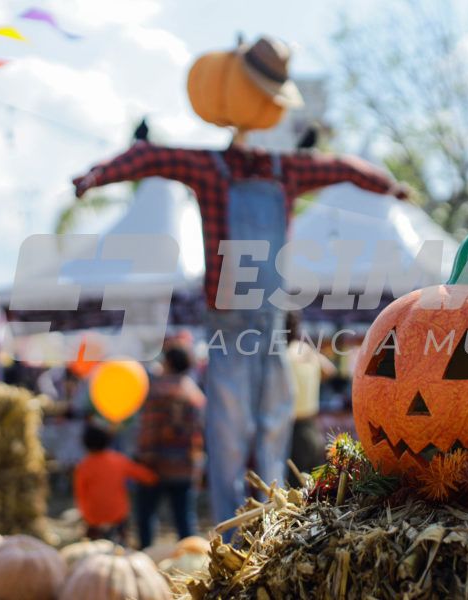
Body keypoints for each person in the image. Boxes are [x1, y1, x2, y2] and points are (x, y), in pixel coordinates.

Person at [72, 35, 409, 525]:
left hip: (263, 316)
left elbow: (150, 157)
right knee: (237, 424)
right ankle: (235, 526)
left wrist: (385, 185)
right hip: (234, 314)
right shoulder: (247, 168)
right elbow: (150, 158)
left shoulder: (268, 168)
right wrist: (96, 175)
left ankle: (268, 518)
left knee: (269, 418)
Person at [134, 346, 206, 548]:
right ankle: (191, 554)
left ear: (168, 363)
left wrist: (144, 458)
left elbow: (149, 429)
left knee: (146, 514)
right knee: (184, 517)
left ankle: (146, 554)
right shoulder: (195, 394)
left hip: (155, 465)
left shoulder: (156, 391)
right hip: (185, 466)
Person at [74, 423, 157, 544]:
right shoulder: (117, 460)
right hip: (117, 514)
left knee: (95, 547)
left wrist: (85, 515)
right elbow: (146, 476)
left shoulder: (83, 466)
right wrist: (155, 475)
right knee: (119, 546)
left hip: (93, 517)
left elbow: (80, 493)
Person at [285, 313, 336, 483]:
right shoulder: (306, 350)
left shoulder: (281, 357)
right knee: (316, 487)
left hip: (293, 432)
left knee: (293, 489)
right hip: (313, 428)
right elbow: (329, 370)